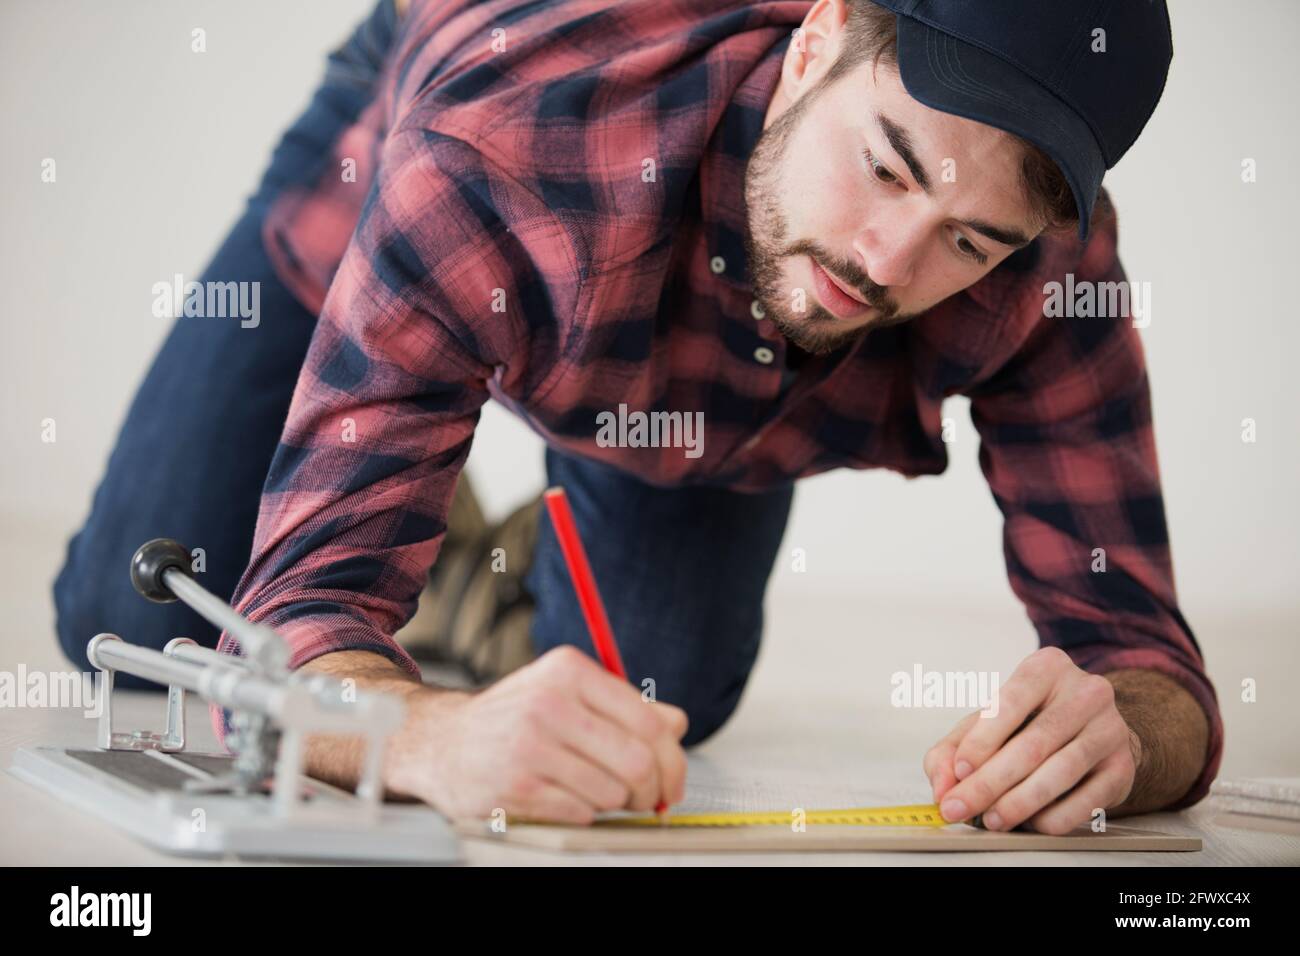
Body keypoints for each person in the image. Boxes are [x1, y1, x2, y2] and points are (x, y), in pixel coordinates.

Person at [55, 0, 1221, 833]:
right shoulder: (497, 149)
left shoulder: (1045, 274)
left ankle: (464, 562)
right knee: (146, 625)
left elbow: (1153, 666)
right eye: (885, 167)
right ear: (815, 40)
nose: (884, 260)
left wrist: (1123, 729)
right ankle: (395, 438)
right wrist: (421, 737)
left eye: (970, 240)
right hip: (420, 109)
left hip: (676, 378)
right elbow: (300, 610)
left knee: (656, 699)